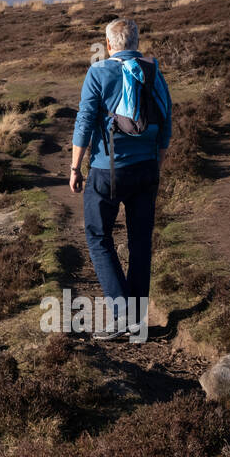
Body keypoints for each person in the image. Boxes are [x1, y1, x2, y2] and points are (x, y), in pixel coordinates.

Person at [69, 18, 172, 341]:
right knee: (141, 241)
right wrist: (159, 159)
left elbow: (85, 120)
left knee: (99, 238)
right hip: (147, 168)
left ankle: (121, 316)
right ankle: (137, 321)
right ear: (136, 41)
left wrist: (75, 167)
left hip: (107, 170)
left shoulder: (98, 72)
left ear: (110, 45)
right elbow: (167, 116)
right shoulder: (153, 70)